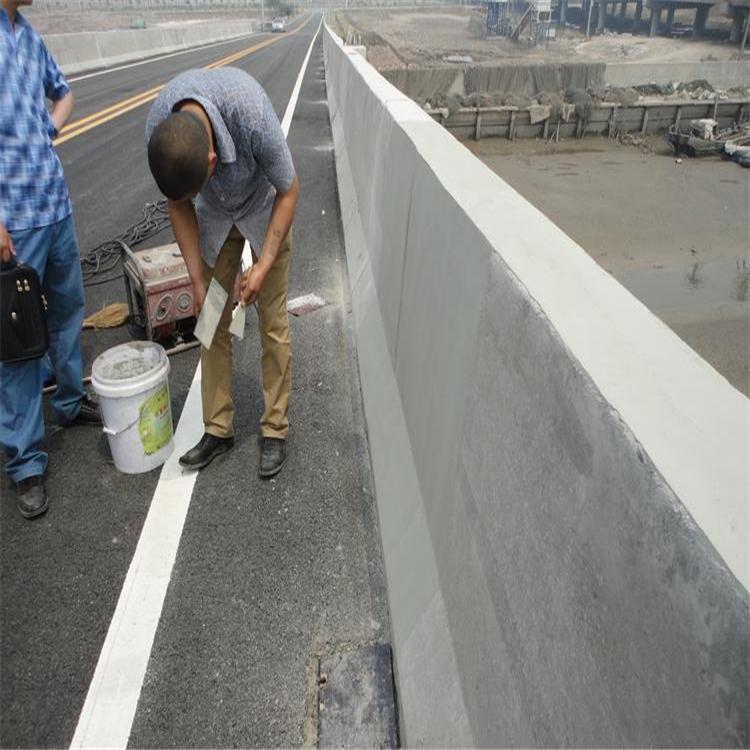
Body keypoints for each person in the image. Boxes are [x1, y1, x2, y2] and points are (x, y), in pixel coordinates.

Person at [145, 67, 298, 477]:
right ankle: (217, 428)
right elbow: (178, 205)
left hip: (265, 207)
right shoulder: (160, 129)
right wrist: (197, 281)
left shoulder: (251, 114)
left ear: (212, 160)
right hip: (215, 217)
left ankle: (275, 428)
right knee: (210, 319)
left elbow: (289, 189)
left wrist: (262, 265)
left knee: (272, 322)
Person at [0, 0, 101, 519]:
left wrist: (48, 128)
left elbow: (63, 93)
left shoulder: (28, 34)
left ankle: (67, 402)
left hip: (54, 205)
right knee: (18, 342)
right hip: (13, 221)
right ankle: (25, 462)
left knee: (66, 310)